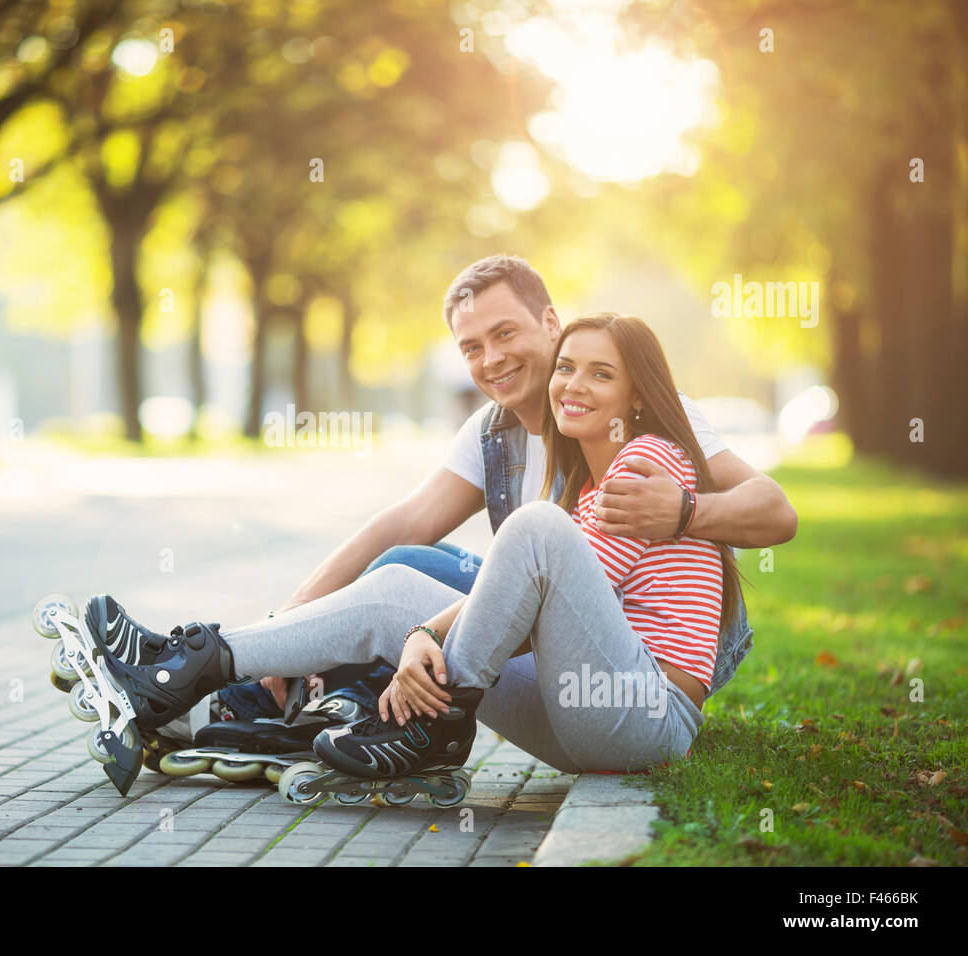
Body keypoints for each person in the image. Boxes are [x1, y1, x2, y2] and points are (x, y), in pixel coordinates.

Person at [91, 310, 771, 786]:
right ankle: (186, 668)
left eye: (601, 375)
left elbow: (547, 586)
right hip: (585, 717)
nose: (572, 385)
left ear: (638, 396)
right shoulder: (588, 486)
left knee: (533, 528)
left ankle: (434, 722)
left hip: (646, 719)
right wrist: (419, 631)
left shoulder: (648, 461)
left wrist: (435, 641)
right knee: (396, 590)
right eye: (567, 368)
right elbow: (477, 573)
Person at [219, 255, 795, 725]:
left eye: (504, 333)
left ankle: (342, 707)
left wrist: (684, 510)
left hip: (634, 658)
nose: (492, 359)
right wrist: (286, 623)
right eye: (472, 347)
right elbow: (402, 523)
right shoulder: (495, 431)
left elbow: (776, 513)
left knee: (423, 570)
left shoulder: (644, 418)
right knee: (409, 558)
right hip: (557, 645)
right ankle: (293, 690)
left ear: (550, 323)